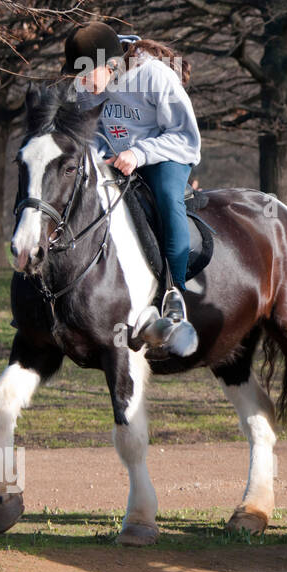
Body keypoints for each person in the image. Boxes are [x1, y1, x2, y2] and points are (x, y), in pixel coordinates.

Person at [63, 21, 202, 357]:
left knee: (168, 201)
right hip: (117, 158)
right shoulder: (87, 87)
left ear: (111, 66)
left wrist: (138, 154)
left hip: (166, 154)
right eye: (78, 76)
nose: (81, 84)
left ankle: (175, 296)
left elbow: (186, 137)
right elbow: (90, 133)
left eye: (85, 75)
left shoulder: (154, 76)